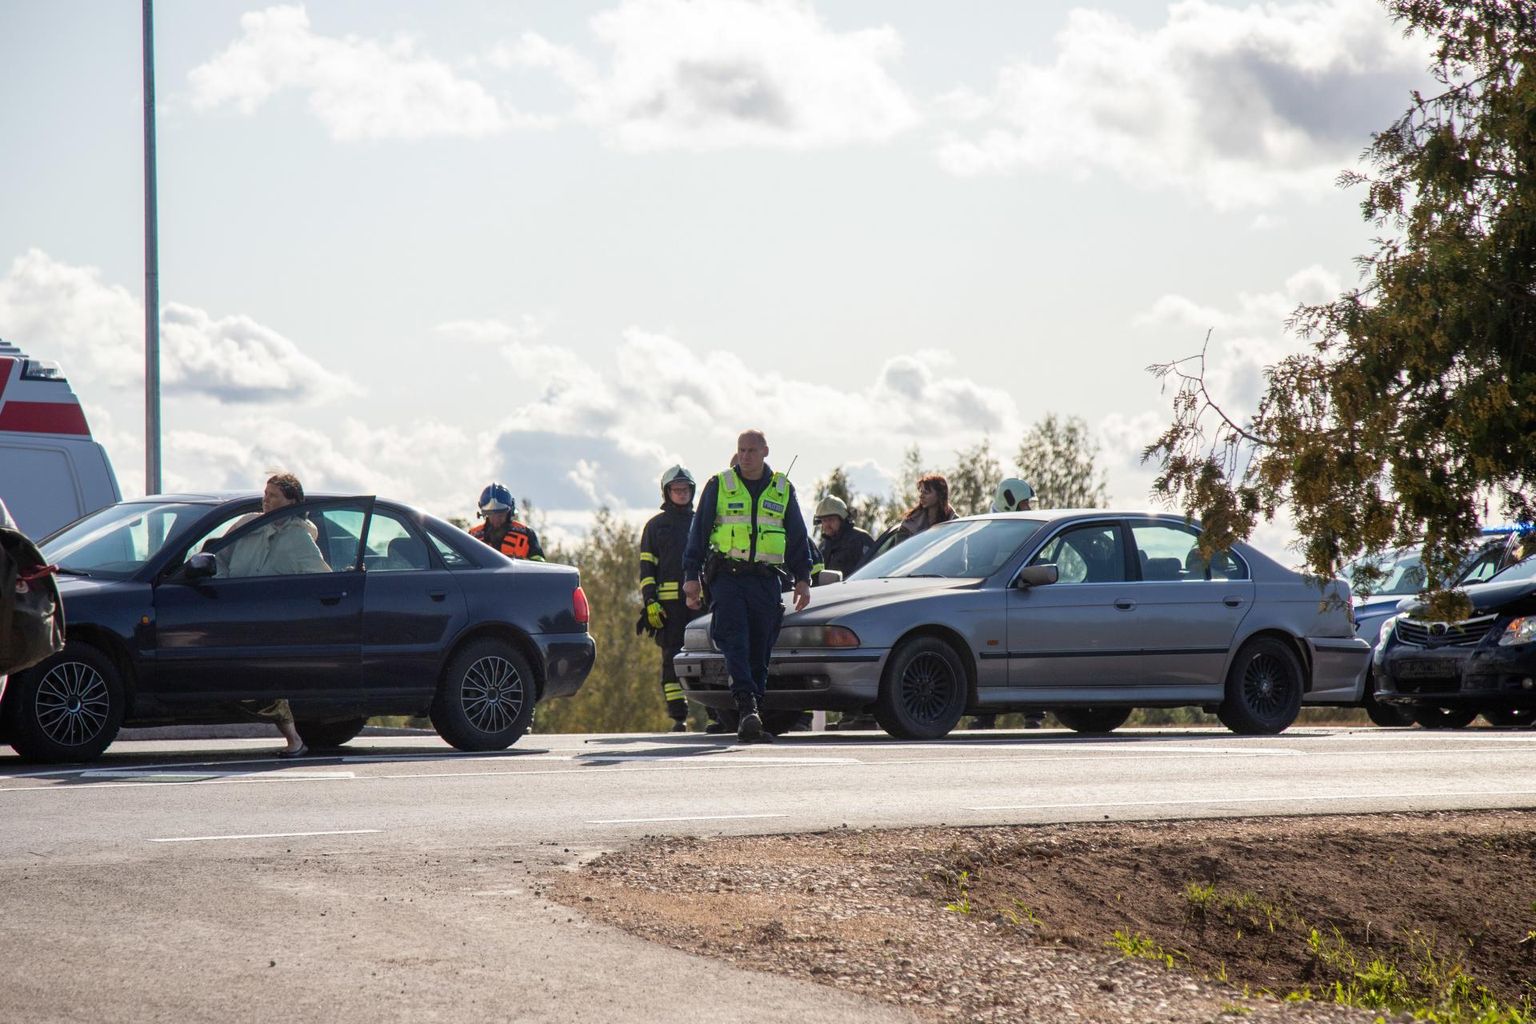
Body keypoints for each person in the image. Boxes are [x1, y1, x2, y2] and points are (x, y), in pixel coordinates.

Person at [683, 429, 813, 743]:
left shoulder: (781, 489)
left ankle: (753, 709)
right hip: (728, 577)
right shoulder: (720, 485)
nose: (745, 456)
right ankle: (746, 707)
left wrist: (803, 579)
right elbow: (698, 533)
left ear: (765, 451)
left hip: (766, 580)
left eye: (752, 450)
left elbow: (797, 535)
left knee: (760, 646)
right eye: (741, 450)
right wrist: (691, 577)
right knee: (734, 640)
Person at [219, 472, 330, 757]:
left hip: (271, 623)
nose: (266, 500)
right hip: (230, 611)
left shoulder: (299, 539)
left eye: (274, 496)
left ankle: (293, 740)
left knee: (267, 679)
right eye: (265, 494)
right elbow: (218, 556)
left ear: (291, 501)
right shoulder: (247, 525)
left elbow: (323, 581)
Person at [973, 476, 1044, 731]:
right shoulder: (987, 532)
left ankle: (1033, 714)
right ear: (1010, 501)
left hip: (1024, 602)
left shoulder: (1027, 531)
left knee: (1031, 657)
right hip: (991, 605)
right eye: (1025, 504)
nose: (1029, 509)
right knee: (990, 658)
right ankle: (985, 716)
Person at [638, 465, 704, 732]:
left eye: (685, 489)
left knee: (707, 657)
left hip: (700, 603)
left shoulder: (701, 522)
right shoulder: (655, 526)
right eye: (676, 489)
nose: (681, 493)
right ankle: (679, 717)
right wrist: (650, 601)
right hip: (668, 607)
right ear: (666, 492)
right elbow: (647, 568)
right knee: (672, 659)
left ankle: (714, 715)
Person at [468, 482, 544, 560]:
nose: (496, 519)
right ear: (485, 514)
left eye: (500, 514)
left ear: (509, 513)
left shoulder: (527, 534)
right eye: (491, 515)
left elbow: (539, 565)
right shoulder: (472, 536)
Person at [814, 495, 875, 577]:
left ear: (842, 519)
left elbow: (873, 570)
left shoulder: (861, 540)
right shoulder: (823, 547)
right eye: (824, 520)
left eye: (831, 519)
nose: (827, 524)